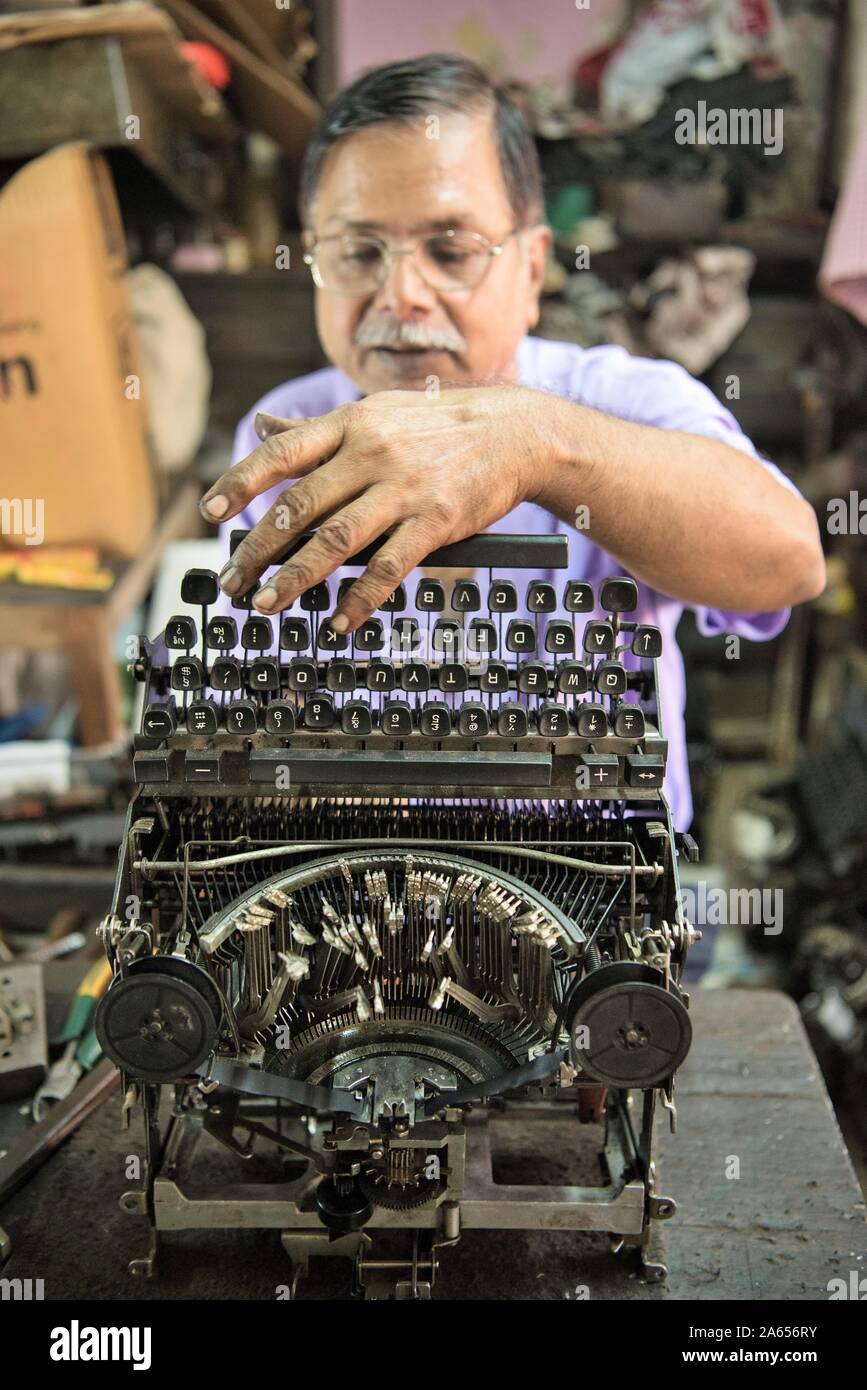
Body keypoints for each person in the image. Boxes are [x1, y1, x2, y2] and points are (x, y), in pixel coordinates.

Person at [199, 54, 825, 830]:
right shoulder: (284, 421)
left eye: (451, 250)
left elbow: (788, 562)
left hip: (589, 899)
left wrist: (535, 441)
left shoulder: (623, 398)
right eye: (359, 252)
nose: (400, 294)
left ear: (531, 269)